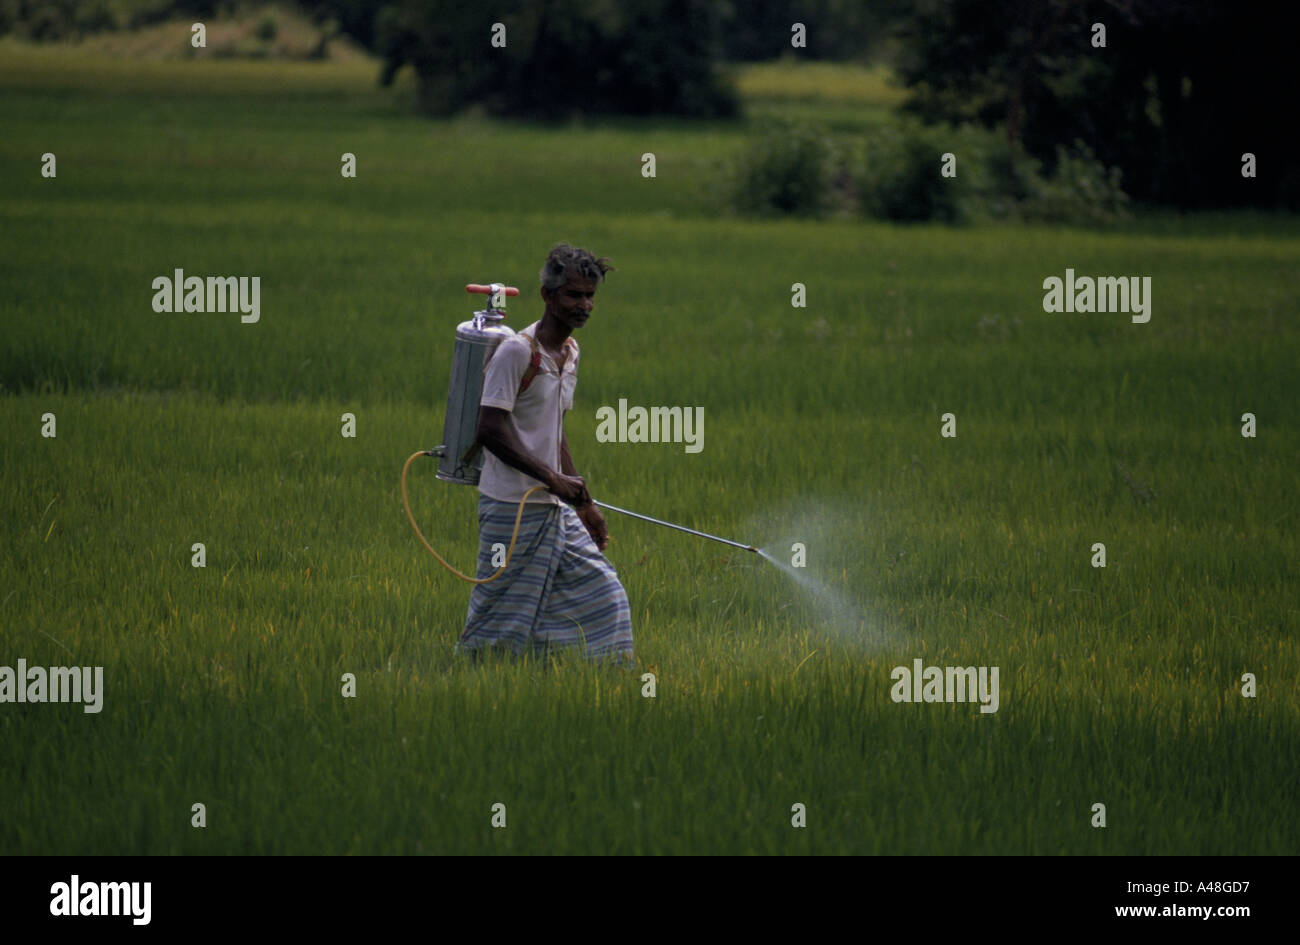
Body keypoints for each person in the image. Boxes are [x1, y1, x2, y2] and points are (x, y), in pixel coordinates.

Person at [457, 243, 634, 661]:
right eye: (574, 295)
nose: (584, 304)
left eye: (590, 295)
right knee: (500, 614)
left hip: (553, 507)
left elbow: (555, 432)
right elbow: (489, 430)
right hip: (511, 507)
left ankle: (570, 672)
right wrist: (551, 478)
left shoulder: (569, 354)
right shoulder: (518, 352)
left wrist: (584, 504)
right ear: (548, 296)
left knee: (604, 595)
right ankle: (477, 676)